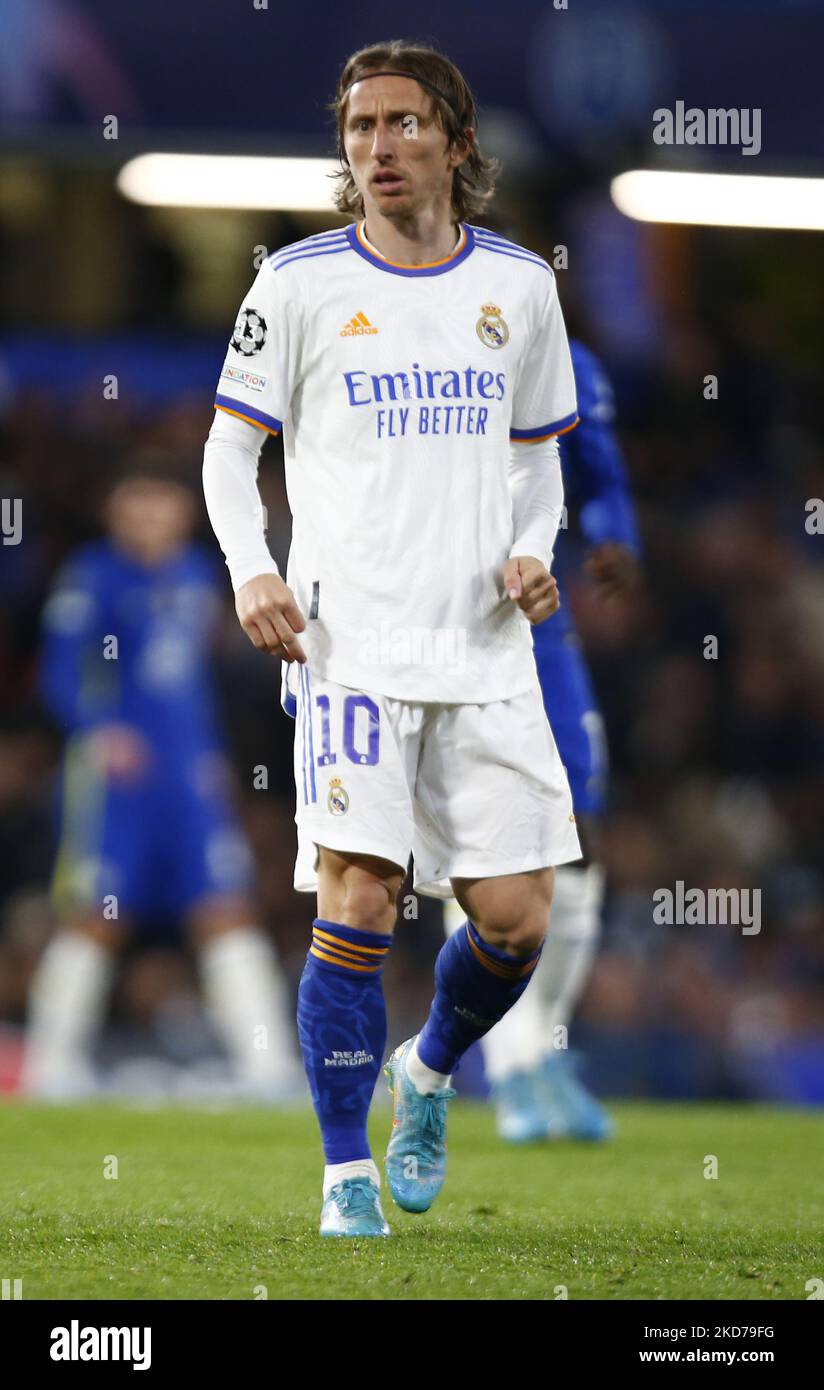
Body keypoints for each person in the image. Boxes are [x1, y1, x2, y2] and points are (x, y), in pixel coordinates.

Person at [203, 40, 581, 1238]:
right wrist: (254, 567)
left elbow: (537, 463)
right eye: (359, 126)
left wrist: (535, 550)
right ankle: (340, 1172)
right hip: (348, 648)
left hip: (481, 652)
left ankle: (425, 1071)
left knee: (516, 917)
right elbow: (228, 452)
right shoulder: (299, 282)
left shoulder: (517, 287)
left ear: (455, 144)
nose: (376, 147)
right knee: (358, 904)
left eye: (403, 124)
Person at [23, 454, 300, 1100]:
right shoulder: (91, 578)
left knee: (226, 911)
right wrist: (98, 729)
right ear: (114, 510)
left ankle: (268, 1070)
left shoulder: (197, 576)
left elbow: (196, 683)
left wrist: (209, 757)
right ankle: (49, 1067)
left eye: (163, 503)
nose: (150, 517)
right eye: (136, 503)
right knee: (97, 916)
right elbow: (60, 672)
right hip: (116, 784)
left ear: (183, 511)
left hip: (187, 783)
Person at [443, 338, 641, 1142]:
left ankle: (543, 1048)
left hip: (538, 622)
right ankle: (515, 1065)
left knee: (579, 836)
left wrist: (614, 534)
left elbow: (599, 475)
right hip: (435, 622)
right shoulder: (414, 337)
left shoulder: (571, 362)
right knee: (475, 844)